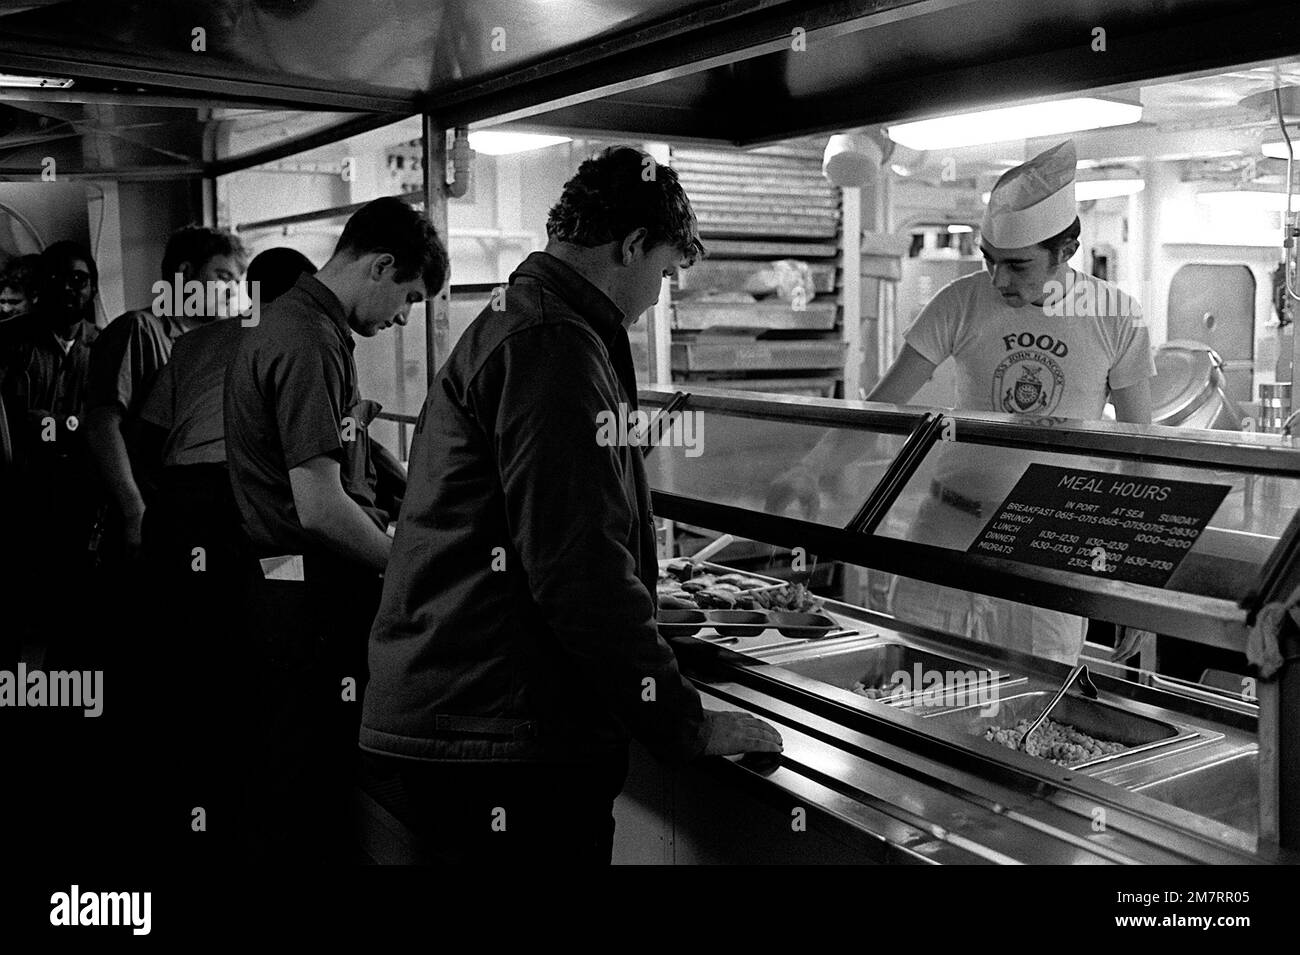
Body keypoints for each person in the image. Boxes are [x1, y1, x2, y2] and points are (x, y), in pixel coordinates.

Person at [360, 146, 783, 866]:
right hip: (496, 740)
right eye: (666, 272)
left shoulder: (528, 318)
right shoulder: (554, 343)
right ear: (632, 245)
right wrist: (683, 723)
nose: (659, 293)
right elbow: (578, 569)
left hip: (461, 718)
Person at [770, 141, 1155, 666]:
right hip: (947, 530)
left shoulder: (1115, 316)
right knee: (917, 689)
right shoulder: (961, 302)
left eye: (1017, 266)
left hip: (1047, 545)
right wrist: (809, 469)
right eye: (989, 260)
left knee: (1034, 716)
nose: (999, 280)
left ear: (1065, 252)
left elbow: (1143, 455)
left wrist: (1133, 581)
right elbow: (884, 408)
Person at [224, 200, 444, 862]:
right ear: (380, 265)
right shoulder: (309, 337)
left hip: (281, 582)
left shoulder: (293, 321)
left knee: (301, 772)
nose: (405, 315)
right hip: (302, 592)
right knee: (313, 782)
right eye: (408, 295)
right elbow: (319, 506)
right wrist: (409, 564)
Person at [132, 246, 317, 860]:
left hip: (180, 507)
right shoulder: (305, 343)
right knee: (264, 661)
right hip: (245, 505)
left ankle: (181, 805)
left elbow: (147, 436)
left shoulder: (194, 343)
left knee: (184, 661)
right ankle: (256, 820)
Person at [85, 225, 249, 567]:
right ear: (185, 272)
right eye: (222, 277)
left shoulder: (213, 346)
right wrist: (133, 510)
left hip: (188, 511)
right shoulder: (138, 329)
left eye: (237, 282)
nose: (232, 292)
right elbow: (102, 424)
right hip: (142, 507)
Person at [0, 242, 101, 662]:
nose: (68, 288)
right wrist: (73, 426)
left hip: (80, 493)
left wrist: (63, 425)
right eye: (57, 278)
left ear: (93, 288)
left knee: (73, 606)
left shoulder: (106, 344)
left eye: (78, 279)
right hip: (17, 491)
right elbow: (15, 421)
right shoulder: (8, 340)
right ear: (41, 286)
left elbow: (107, 423)